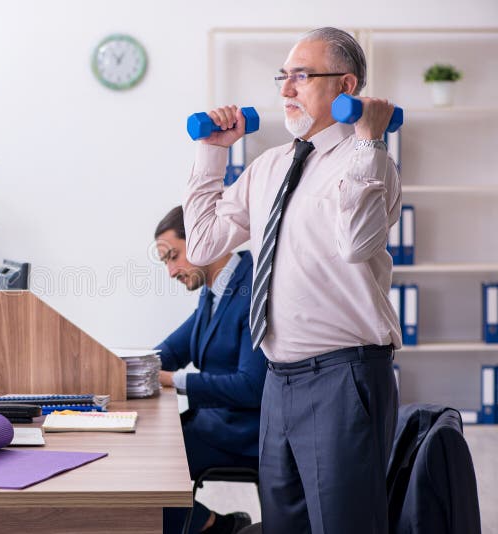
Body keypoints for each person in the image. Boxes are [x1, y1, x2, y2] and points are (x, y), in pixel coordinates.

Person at [182, 27, 401, 534]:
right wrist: (213, 152)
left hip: (344, 378)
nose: (285, 90)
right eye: (284, 77)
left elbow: (356, 244)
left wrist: (369, 139)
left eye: (300, 77)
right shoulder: (270, 166)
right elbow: (202, 246)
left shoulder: (369, 162)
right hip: (278, 380)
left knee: (343, 525)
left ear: (346, 87)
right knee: (284, 525)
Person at [154, 206, 267, 534]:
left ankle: (210, 527)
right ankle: (213, 525)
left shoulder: (250, 287)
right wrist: (121, 366)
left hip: (242, 433)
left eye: (174, 256)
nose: (172, 271)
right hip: (214, 425)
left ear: (203, 239)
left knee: (149, 470)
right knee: (143, 460)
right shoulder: (213, 291)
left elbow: (251, 385)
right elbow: (173, 350)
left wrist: (174, 380)